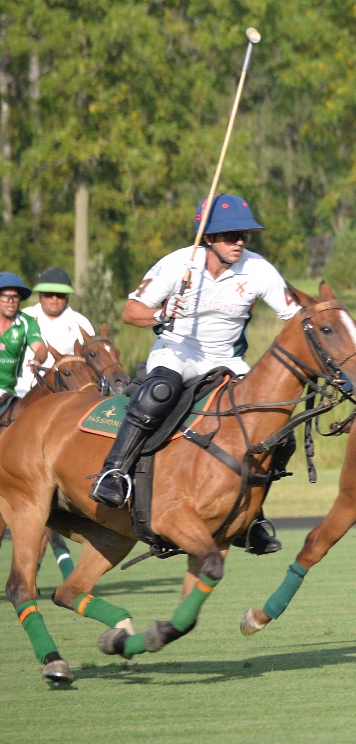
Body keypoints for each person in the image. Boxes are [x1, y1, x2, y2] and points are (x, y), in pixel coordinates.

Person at [89, 194, 296, 554]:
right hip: (178, 350)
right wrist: (162, 313)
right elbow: (130, 311)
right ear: (208, 238)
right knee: (157, 395)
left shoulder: (258, 269)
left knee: (279, 431)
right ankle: (114, 473)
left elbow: (294, 314)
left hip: (227, 360)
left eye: (243, 235)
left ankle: (252, 517)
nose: (239, 242)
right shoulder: (178, 264)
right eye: (230, 235)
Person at [16, 267, 96, 398]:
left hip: (65, 395)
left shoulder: (80, 322)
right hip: (21, 392)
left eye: (60, 294)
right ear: (40, 294)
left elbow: (92, 362)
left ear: (67, 296)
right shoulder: (22, 318)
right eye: (49, 294)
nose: (54, 298)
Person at [0, 272, 46, 420]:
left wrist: (37, 359)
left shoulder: (27, 322)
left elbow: (40, 348)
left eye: (15, 297)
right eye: (6, 296)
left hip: (6, 392)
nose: (11, 301)